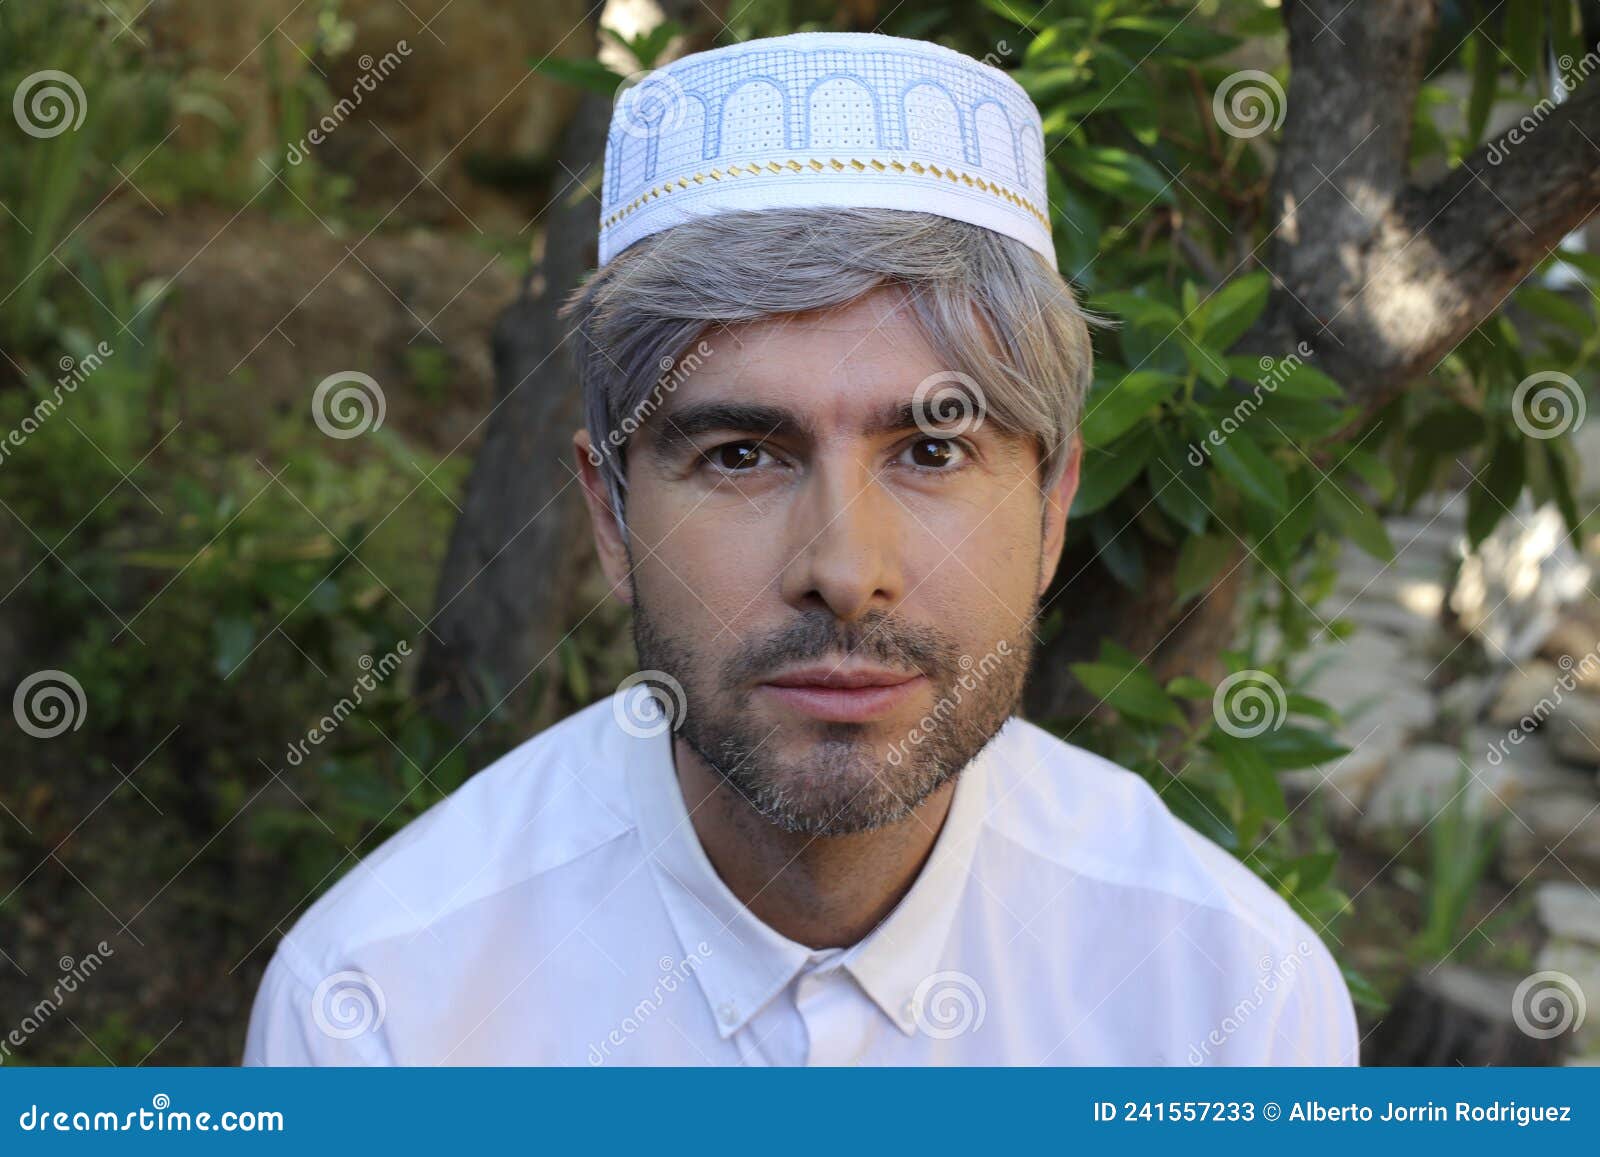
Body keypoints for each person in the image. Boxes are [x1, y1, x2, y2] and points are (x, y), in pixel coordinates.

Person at [244, 30, 1358, 1066]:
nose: (842, 567)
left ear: (1053, 506)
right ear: (610, 513)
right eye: (740, 454)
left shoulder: (1232, 1009)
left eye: (930, 449)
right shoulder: (379, 1014)